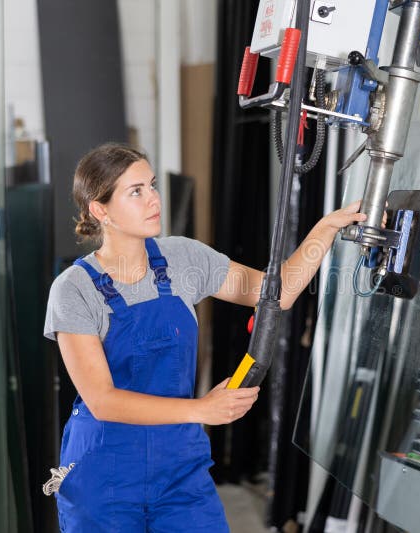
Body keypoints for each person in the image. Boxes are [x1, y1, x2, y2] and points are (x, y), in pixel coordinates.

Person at [43, 143, 367, 532]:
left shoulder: (183, 259)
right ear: (101, 210)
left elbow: (275, 294)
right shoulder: (74, 289)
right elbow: (103, 401)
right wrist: (203, 410)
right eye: (136, 192)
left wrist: (325, 229)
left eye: (151, 185)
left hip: (180, 469)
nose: (154, 199)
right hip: (104, 474)